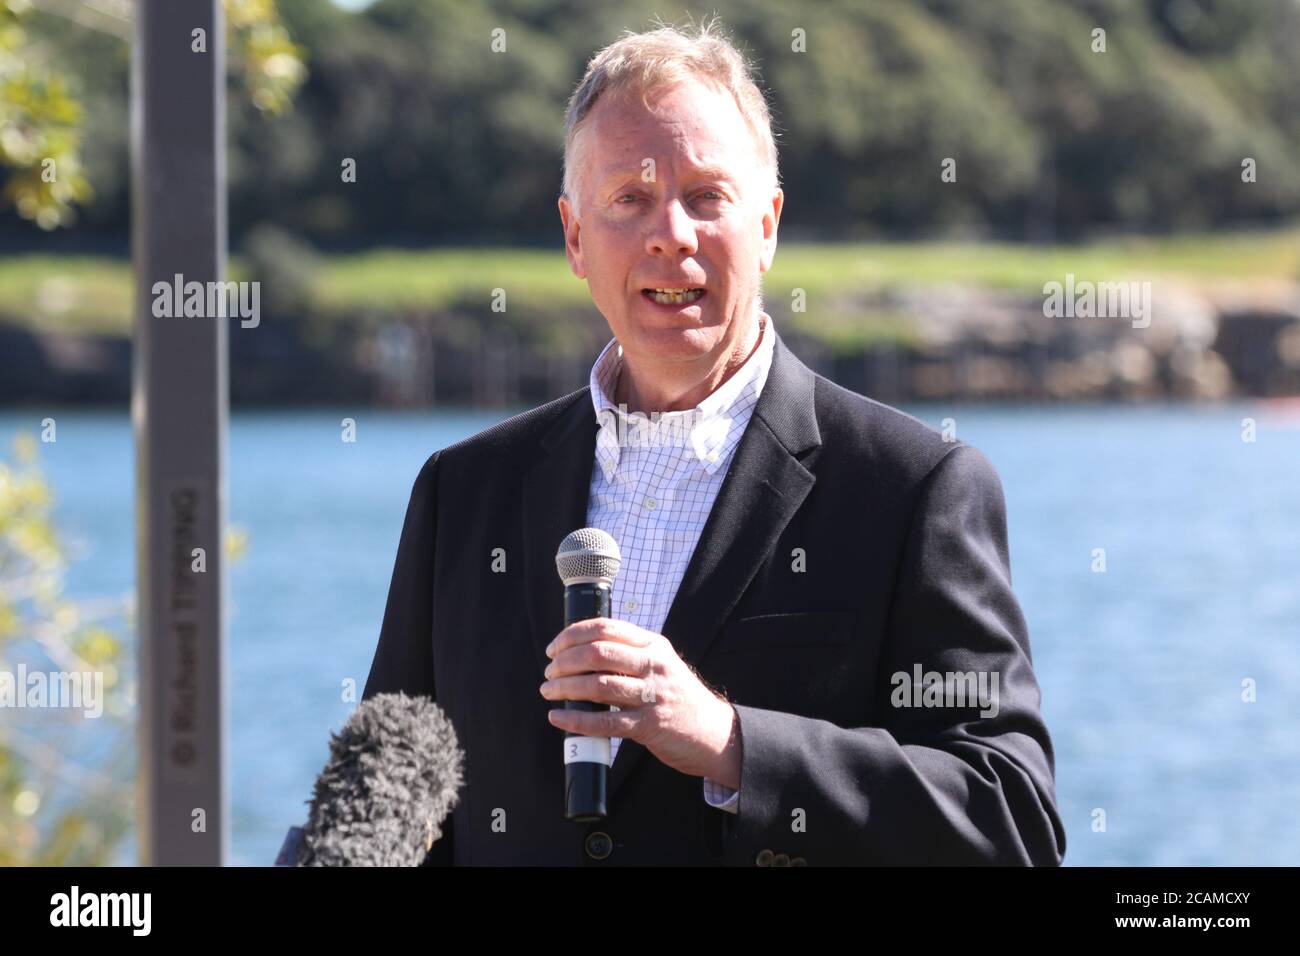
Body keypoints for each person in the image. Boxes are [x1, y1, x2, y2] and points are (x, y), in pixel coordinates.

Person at [363, 18, 1065, 866]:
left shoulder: (916, 489)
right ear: (575, 238)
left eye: (706, 195)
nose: (673, 233)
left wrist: (732, 742)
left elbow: (1009, 818)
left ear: (767, 224)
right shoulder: (461, 494)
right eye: (629, 198)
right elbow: (388, 801)